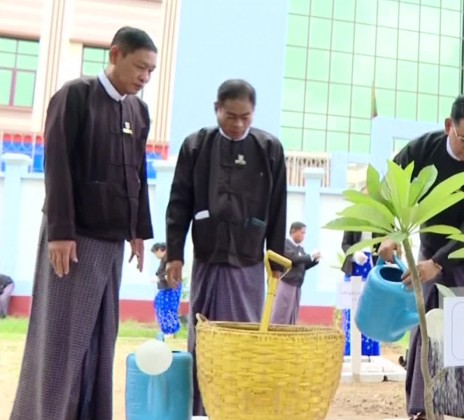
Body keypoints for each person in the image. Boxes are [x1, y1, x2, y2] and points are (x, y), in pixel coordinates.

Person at [10, 26, 157, 420]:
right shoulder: (75, 96)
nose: (145, 77)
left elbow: (138, 173)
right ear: (115, 55)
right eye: (139, 67)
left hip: (112, 242)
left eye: (151, 71)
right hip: (74, 240)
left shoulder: (138, 111)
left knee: (100, 337)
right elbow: (56, 165)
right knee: (61, 338)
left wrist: (137, 230)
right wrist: (61, 233)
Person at [164, 78, 288, 416]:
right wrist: (174, 254)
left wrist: (277, 260)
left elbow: (278, 208)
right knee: (204, 334)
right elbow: (178, 203)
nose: (237, 124)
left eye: (245, 117)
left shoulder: (269, 149)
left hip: (248, 261)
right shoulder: (196, 145)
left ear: (254, 113)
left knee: (243, 337)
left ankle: (238, 409)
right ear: (216, 109)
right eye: (230, 116)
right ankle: (200, 409)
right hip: (207, 257)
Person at [396, 93, 464, 419]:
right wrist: (388, 234)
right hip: (429, 250)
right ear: (449, 126)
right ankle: (424, 409)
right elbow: (393, 188)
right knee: (427, 328)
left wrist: (440, 263)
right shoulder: (422, 150)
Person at [271, 221, 320, 325]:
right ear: (293, 231)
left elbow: (303, 265)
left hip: (297, 286)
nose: (303, 236)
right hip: (286, 283)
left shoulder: (300, 249)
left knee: (292, 314)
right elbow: (293, 259)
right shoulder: (285, 244)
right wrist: (310, 256)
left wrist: (315, 260)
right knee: (281, 312)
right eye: (302, 232)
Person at [151, 242, 181, 337]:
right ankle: (166, 329)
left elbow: (170, 274)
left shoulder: (169, 260)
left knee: (167, 308)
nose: (155, 256)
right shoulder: (164, 260)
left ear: (160, 250)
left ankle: (170, 330)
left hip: (170, 288)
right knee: (160, 306)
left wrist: (160, 278)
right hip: (165, 288)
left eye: (155, 253)